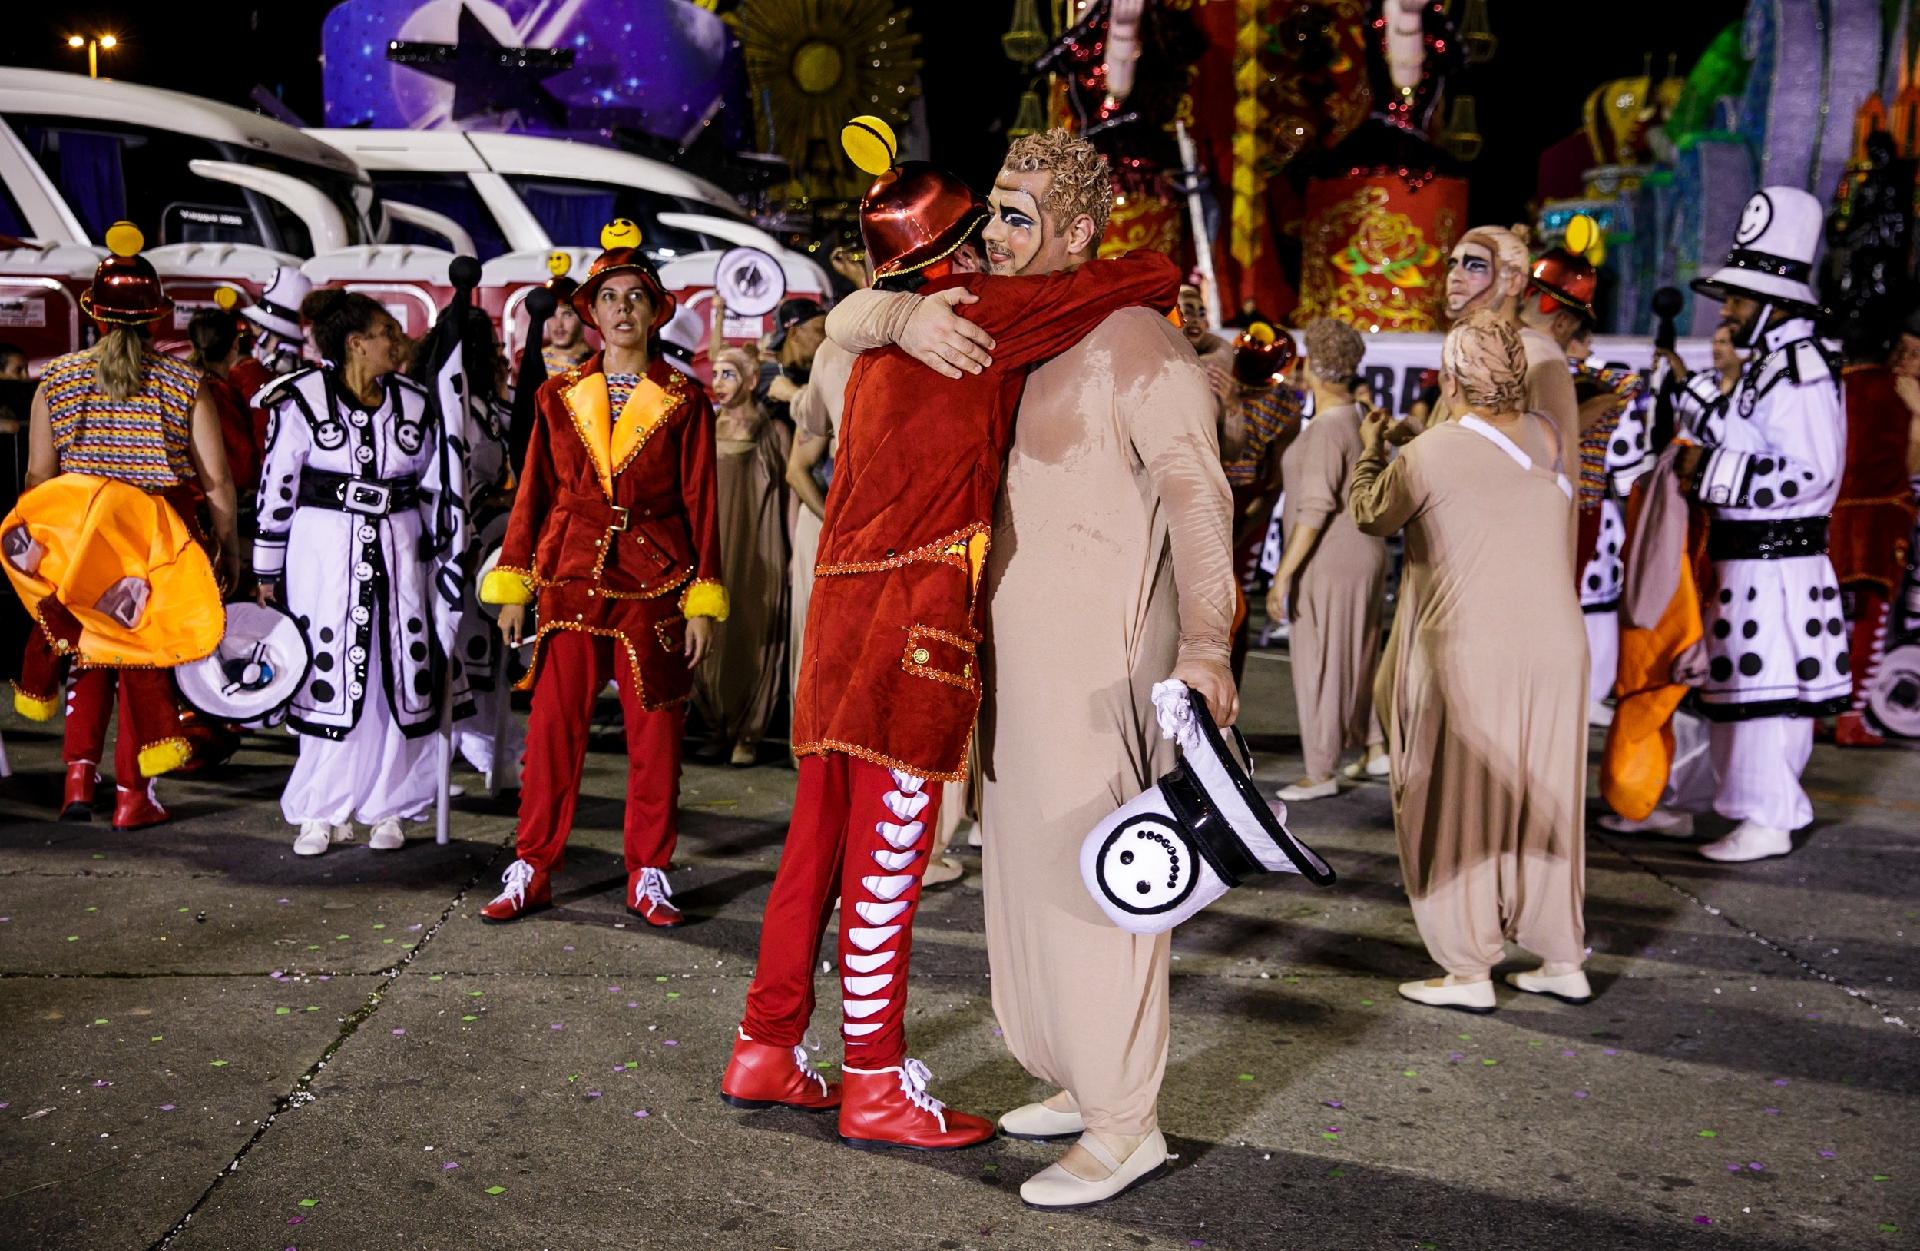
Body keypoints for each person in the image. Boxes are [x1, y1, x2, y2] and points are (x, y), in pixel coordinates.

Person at [722, 119, 1183, 1154]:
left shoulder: (885, 343)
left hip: (839, 615)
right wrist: (902, 306)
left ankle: (767, 1040)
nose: (996, 248)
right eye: (984, 230)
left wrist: (873, 311)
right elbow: (1152, 270)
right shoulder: (974, 315)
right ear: (954, 256)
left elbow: (843, 320)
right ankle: (874, 1078)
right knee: (889, 854)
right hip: (909, 619)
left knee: (817, 847)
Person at [972, 129, 1236, 1207]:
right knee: (1027, 872)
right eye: (993, 207)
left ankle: (1129, 1127)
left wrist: (1210, 645)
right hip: (1014, 665)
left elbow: (1201, 498)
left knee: (1104, 883)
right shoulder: (1023, 335)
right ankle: (1082, 1077)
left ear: (1079, 233)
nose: (994, 230)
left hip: (1100, 670)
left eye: (1018, 214)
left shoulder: (1137, 344)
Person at [475, 220, 725, 925]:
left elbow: (704, 500)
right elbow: (534, 494)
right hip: (571, 574)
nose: (622, 309)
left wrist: (703, 597)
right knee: (553, 729)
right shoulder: (557, 395)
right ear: (591, 311)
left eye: (635, 297)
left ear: (654, 310)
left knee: (657, 736)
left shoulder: (684, 397)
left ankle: (648, 870)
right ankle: (534, 862)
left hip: (658, 579)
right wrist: (516, 582)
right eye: (610, 297)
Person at [1349, 310, 1590, 1013]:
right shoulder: (1546, 435)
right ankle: (1562, 955)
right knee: (1545, 801)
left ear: (1450, 378)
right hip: (1557, 647)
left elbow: (1371, 512)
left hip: (1473, 648)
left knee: (1455, 802)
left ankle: (1467, 967)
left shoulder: (1430, 451)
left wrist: (1373, 449)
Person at [1624, 189, 1850, 862]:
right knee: (1736, 695)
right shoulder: (1772, 367)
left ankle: (1772, 813)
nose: (1726, 309)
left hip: (1778, 569)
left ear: (1775, 302)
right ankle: (1727, 805)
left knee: (1766, 700)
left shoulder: (1801, 370)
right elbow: (1749, 440)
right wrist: (1693, 395)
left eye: (1738, 300)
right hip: (1747, 565)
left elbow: (1808, 472)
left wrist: (1706, 475)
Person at [7, 223, 240, 829]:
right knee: (143, 659)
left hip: (82, 540)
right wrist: (229, 550)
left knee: (89, 655)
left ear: (95, 315)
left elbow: (38, 478)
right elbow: (216, 481)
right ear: (157, 318)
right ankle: (134, 797)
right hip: (155, 541)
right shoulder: (185, 384)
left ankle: (78, 780)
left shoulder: (54, 381)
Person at [253, 290, 465, 855]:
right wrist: (266, 571)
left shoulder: (417, 403)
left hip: (401, 556)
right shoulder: (299, 400)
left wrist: (447, 555)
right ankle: (321, 810)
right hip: (323, 558)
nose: (397, 344)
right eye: (386, 334)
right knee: (329, 673)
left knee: (393, 671)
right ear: (356, 343)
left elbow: (437, 486)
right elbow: (278, 489)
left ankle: (389, 807)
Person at [1267, 318, 1387, 799]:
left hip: (1330, 557)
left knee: (1319, 662)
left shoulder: (1326, 429)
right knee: (1358, 656)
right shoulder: (1358, 417)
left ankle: (1320, 770)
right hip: (1364, 553)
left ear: (1312, 368)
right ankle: (1374, 747)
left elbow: (1314, 509)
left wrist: (1283, 575)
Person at [692, 346, 790, 766]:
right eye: (715, 373)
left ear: (751, 381)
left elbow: (786, 493)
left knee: (751, 627)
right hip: (715, 543)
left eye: (728, 374)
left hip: (756, 542)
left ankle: (748, 732)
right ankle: (716, 723)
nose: (718, 382)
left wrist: (786, 552)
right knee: (713, 626)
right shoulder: (707, 424)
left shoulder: (771, 429)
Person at [540, 286, 593, 376]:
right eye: (551, 315)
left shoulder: (596, 363)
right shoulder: (535, 362)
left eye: (567, 314)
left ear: (582, 317)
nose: (558, 325)